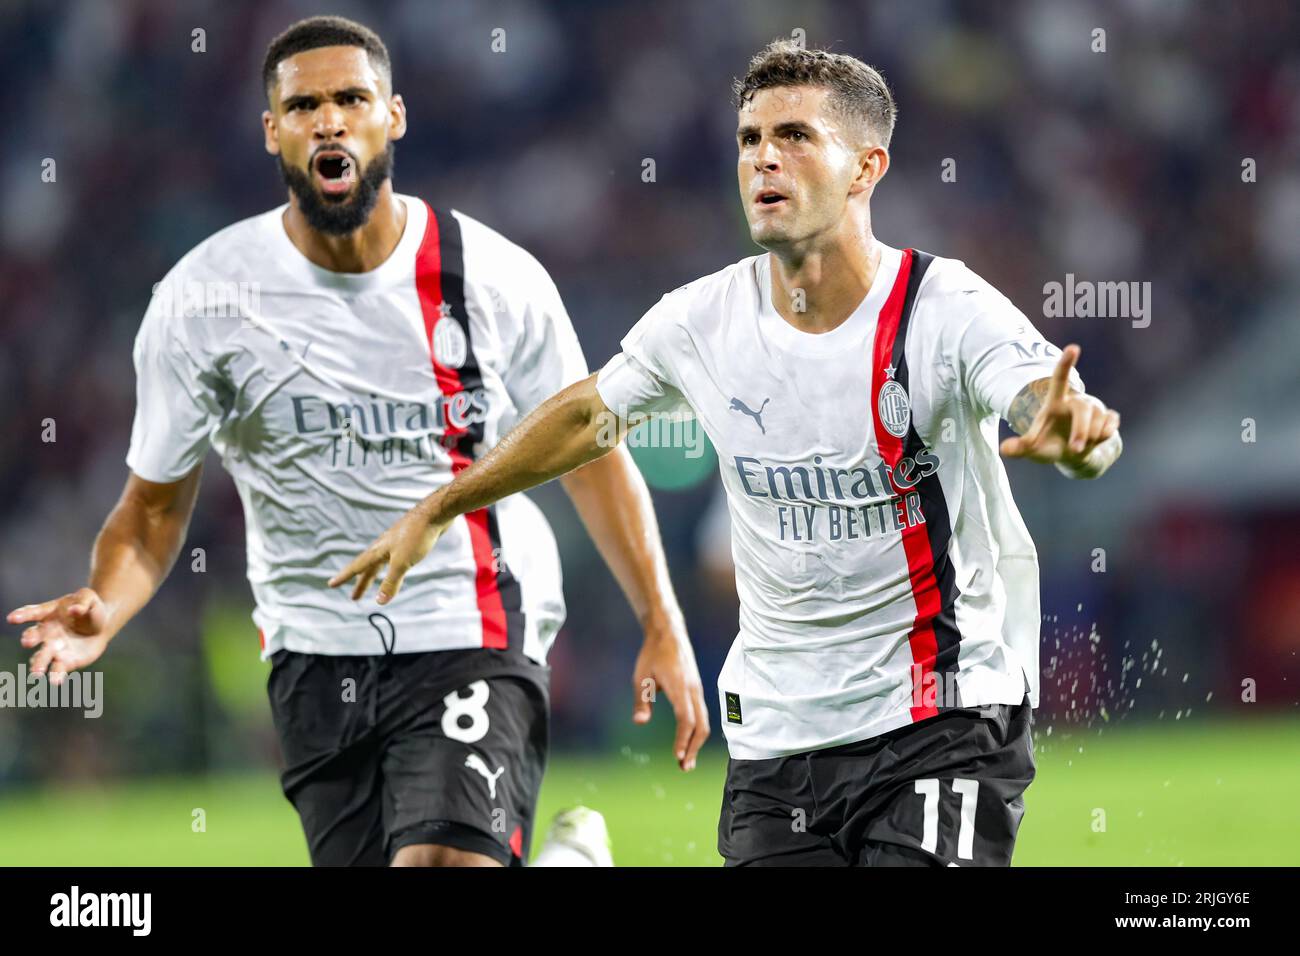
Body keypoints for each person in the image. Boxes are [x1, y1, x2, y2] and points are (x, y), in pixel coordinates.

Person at [331, 40, 1125, 867]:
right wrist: (441, 505)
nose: (763, 159)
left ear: (865, 169)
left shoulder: (945, 307)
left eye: (795, 137)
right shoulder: (701, 319)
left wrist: (1074, 437)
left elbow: (1046, 400)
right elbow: (584, 417)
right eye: (749, 140)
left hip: (943, 721)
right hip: (780, 740)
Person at [7, 15, 709, 868]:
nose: (329, 120)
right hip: (313, 654)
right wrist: (105, 603)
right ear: (273, 131)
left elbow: (592, 450)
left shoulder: (492, 278)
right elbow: (152, 508)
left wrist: (660, 619)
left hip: (472, 620)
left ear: (394, 116)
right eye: (304, 105)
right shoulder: (202, 301)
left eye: (352, 98)